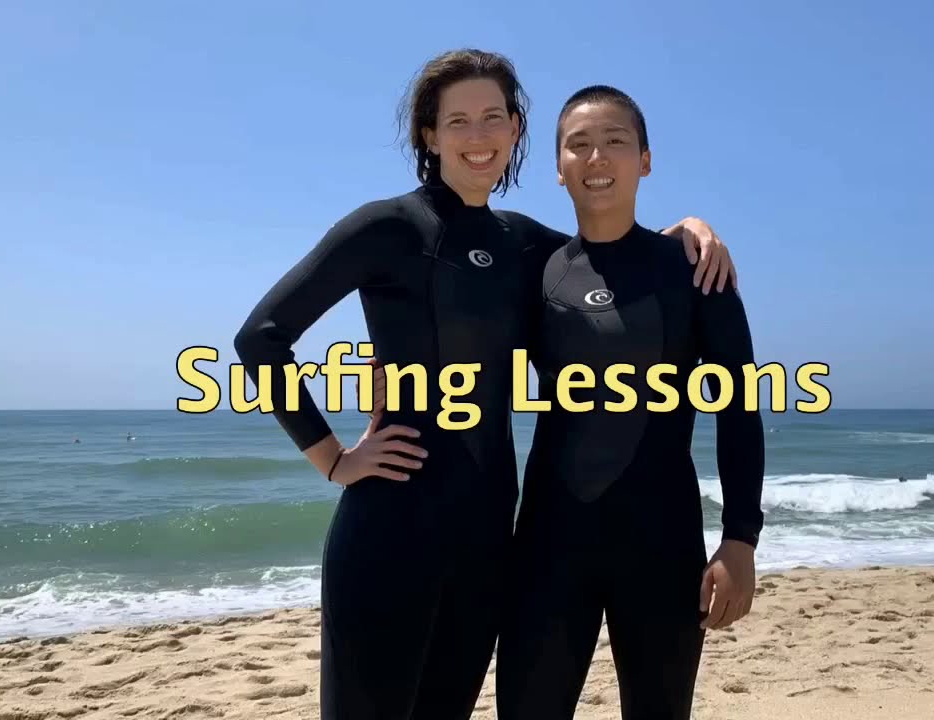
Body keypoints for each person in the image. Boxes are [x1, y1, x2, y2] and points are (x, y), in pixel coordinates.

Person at [233, 49, 738, 720]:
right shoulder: (387, 227)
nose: (478, 137)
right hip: (390, 532)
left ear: (516, 130)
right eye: (459, 121)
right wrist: (332, 459)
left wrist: (688, 233)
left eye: (493, 118)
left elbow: (616, 252)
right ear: (429, 134)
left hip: (487, 542)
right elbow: (261, 336)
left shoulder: (526, 244)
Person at [493, 85, 765, 720]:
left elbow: (740, 409)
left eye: (615, 142)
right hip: (547, 544)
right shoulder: (536, 269)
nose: (597, 158)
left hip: (661, 541)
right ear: (558, 168)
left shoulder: (695, 270)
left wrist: (741, 539)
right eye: (578, 145)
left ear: (645, 160)